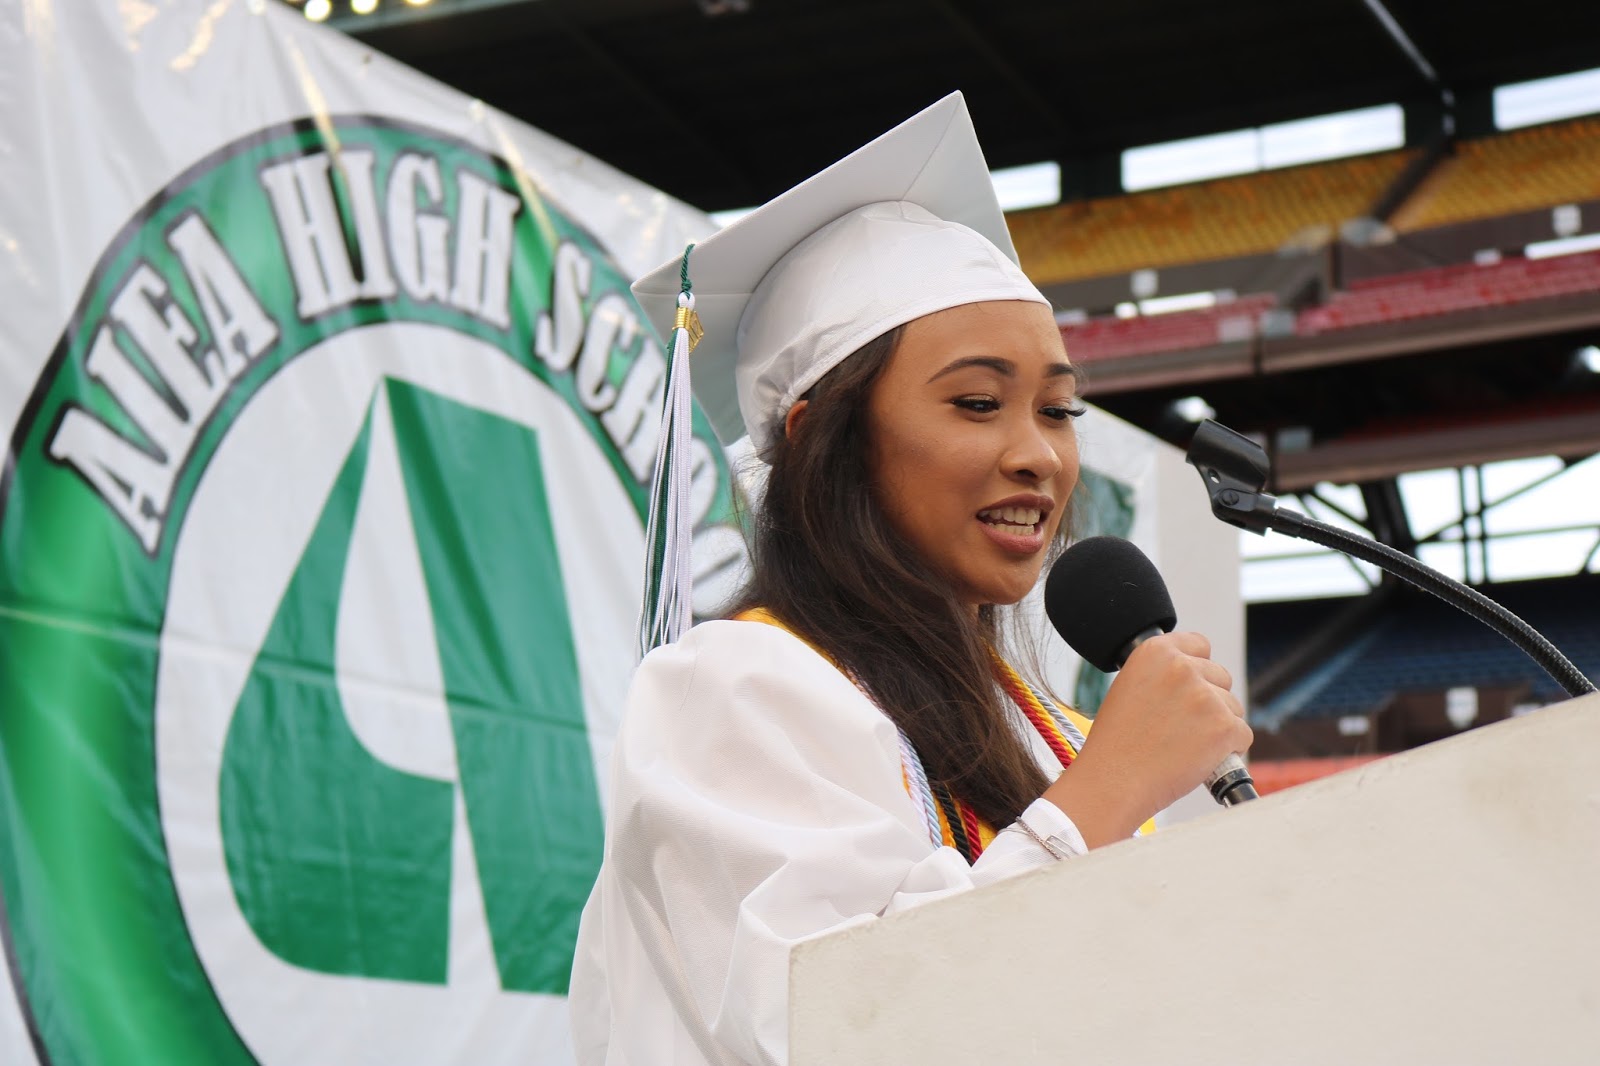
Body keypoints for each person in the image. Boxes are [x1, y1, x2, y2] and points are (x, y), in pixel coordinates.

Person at [569, 93, 1251, 1066]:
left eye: (1057, 410)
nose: (1039, 457)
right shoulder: (735, 690)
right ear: (817, 439)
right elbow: (836, 1031)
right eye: (977, 402)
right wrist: (1099, 797)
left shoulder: (1041, 722)